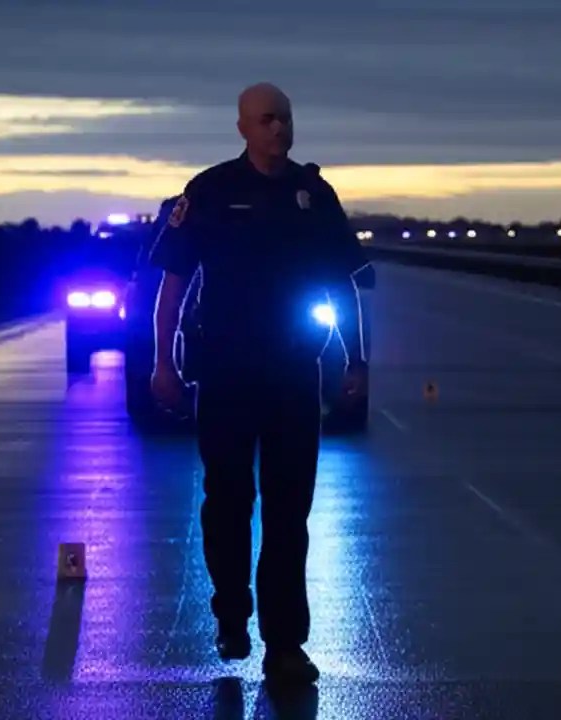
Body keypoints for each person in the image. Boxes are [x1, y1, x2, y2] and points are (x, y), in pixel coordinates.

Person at [147, 82, 369, 686]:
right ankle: (231, 613)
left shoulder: (313, 194)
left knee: (289, 511)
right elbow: (172, 284)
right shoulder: (211, 192)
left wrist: (357, 359)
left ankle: (285, 644)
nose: (280, 129)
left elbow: (344, 282)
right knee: (227, 501)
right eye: (268, 120)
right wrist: (163, 363)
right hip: (225, 373)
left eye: (286, 119)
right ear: (243, 126)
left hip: (295, 372)